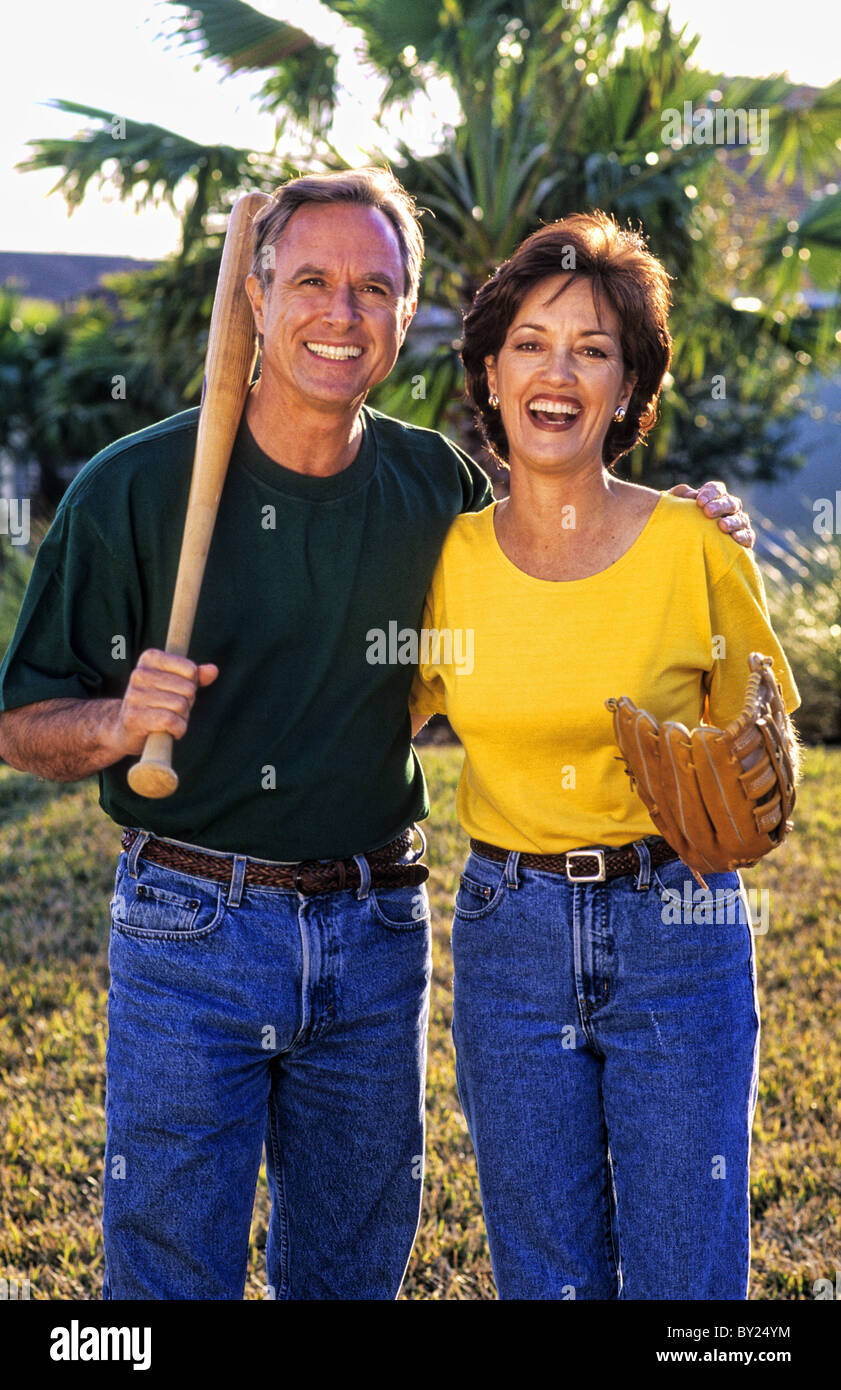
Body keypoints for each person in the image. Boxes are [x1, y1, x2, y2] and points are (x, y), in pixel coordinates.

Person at [0, 170, 752, 1302]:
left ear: (407, 317)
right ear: (256, 296)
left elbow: (557, 533)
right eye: (309, 279)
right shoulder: (130, 490)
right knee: (165, 1273)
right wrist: (117, 718)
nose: (340, 313)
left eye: (373, 287)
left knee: (353, 1274)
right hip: (191, 921)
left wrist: (699, 528)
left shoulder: (433, 489)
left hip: (373, 924)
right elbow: (22, 723)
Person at [409, 210, 800, 1301]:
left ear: (627, 390)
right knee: (547, 1277)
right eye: (530, 341)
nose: (557, 370)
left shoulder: (691, 546)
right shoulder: (449, 563)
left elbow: (764, 739)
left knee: (687, 1272)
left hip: (675, 921)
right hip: (509, 935)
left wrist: (745, 794)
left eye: (592, 349)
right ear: (489, 374)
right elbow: (372, 717)